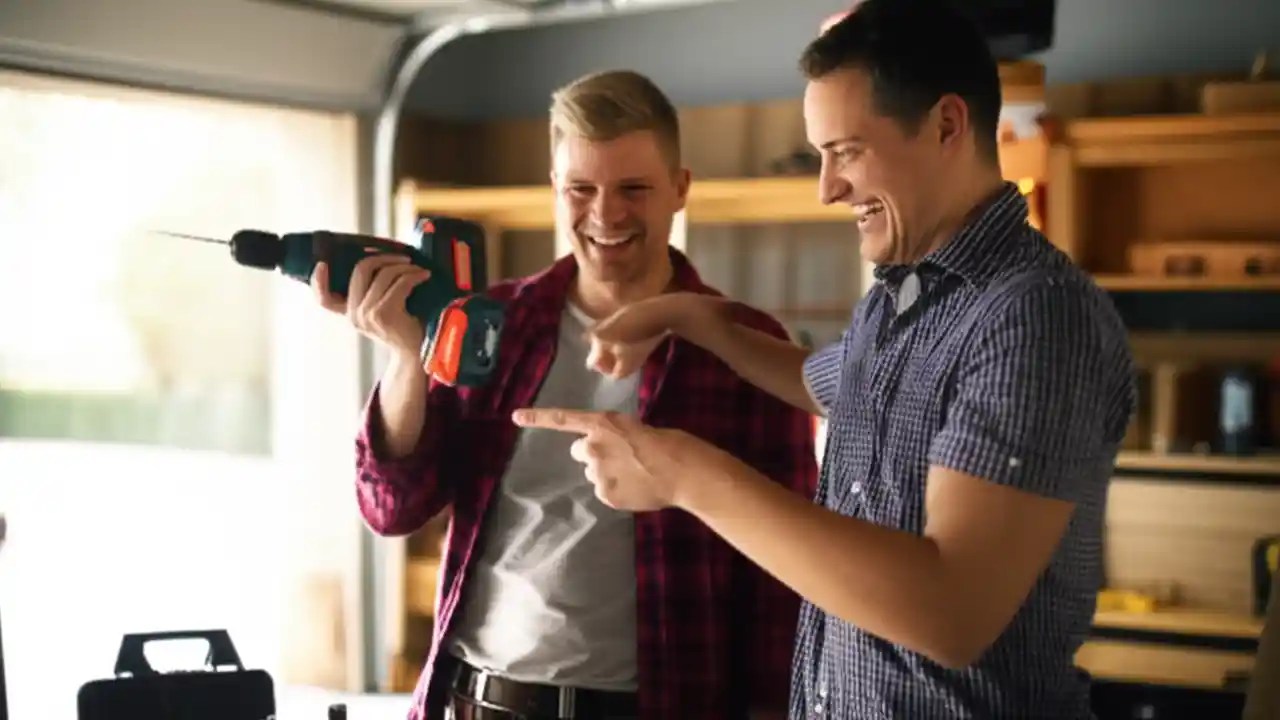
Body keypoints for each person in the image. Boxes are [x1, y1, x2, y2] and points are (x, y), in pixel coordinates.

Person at [513, 2, 1138, 718]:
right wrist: (686, 314)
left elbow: (952, 613)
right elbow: (819, 382)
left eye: (845, 151)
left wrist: (684, 473)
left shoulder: (1033, 316)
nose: (827, 187)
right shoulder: (902, 294)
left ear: (946, 126)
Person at [316, 69, 818, 720]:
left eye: (633, 188)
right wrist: (406, 356)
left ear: (680, 189)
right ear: (556, 189)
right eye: (581, 188)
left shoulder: (748, 347)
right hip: (476, 701)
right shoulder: (484, 322)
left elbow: (783, 587)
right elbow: (391, 507)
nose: (605, 214)